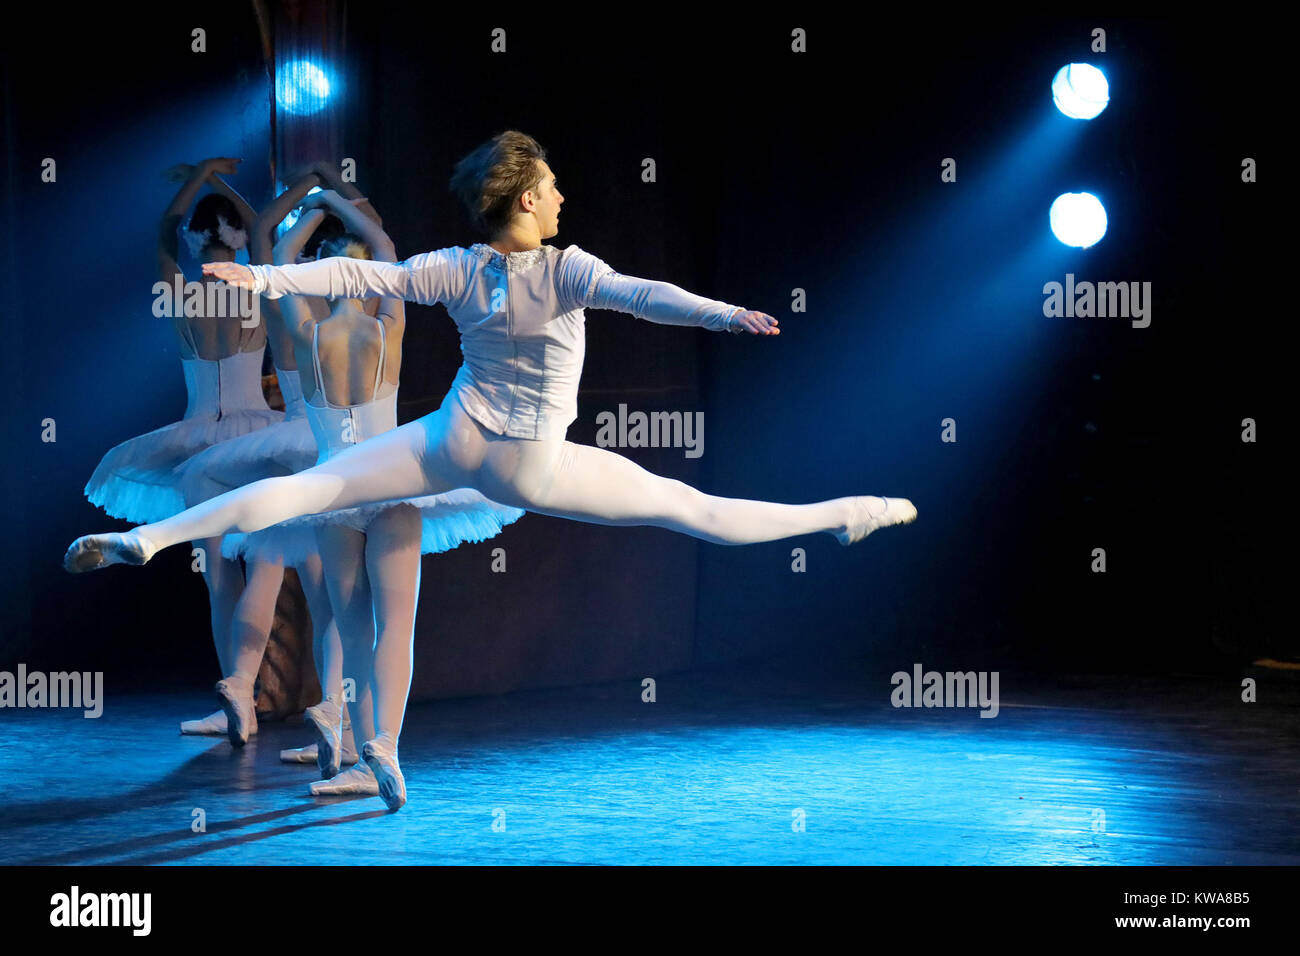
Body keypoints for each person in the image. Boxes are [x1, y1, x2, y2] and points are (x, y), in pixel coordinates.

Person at [65, 131, 918, 807]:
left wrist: (261, 275)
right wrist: (726, 315)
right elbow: (647, 294)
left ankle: (154, 539)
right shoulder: (570, 268)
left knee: (306, 489)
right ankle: (845, 512)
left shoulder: (458, 267)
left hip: (452, 442)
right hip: (530, 465)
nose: (560, 197)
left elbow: (361, 270)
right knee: (693, 509)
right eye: (549, 186)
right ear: (520, 197)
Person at [222, 185, 523, 805]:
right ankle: (384, 746)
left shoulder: (306, 330)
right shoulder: (389, 323)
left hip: (336, 493)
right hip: (392, 486)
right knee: (398, 630)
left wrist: (311, 209)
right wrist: (344, 198)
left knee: (353, 633)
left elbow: (280, 255)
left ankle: (358, 752)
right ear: (370, 275)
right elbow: (385, 247)